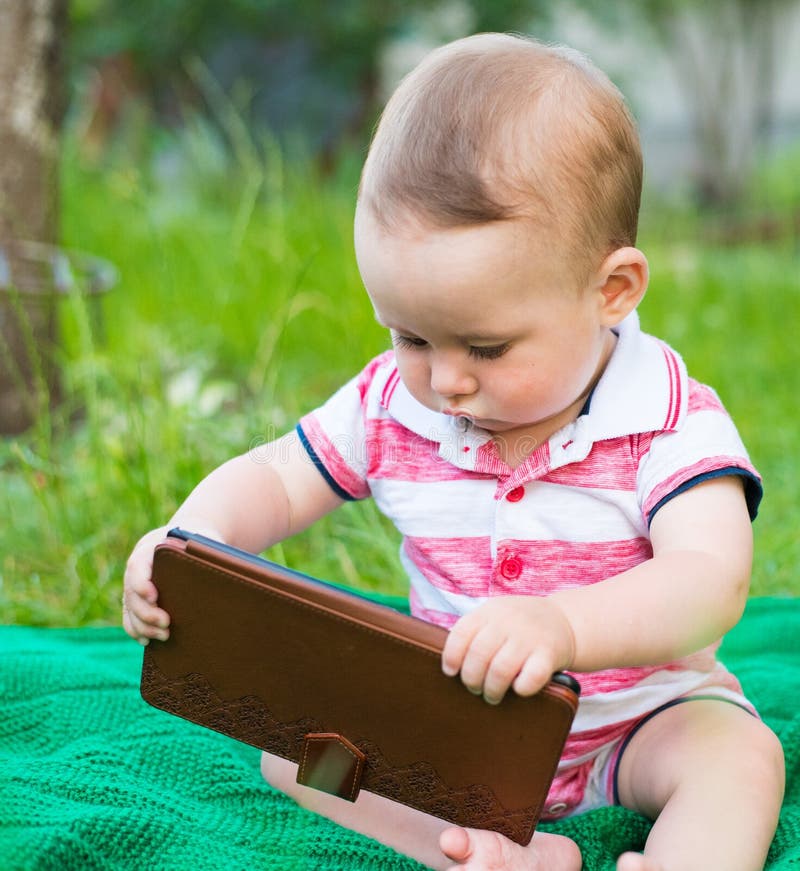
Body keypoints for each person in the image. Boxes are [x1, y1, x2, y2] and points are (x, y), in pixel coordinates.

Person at [123, 33, 785, 871]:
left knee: (738, 756)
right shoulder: (392, 403)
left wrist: (564, 623)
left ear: (611, 289)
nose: (446, 381)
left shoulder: (667, 420)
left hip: (638, 721)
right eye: (410, 335)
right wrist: (188, 546)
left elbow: (710, 580)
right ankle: (485, 850)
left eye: (486, 346)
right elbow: (278, 479)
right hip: (452, 724)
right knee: (297, 751)